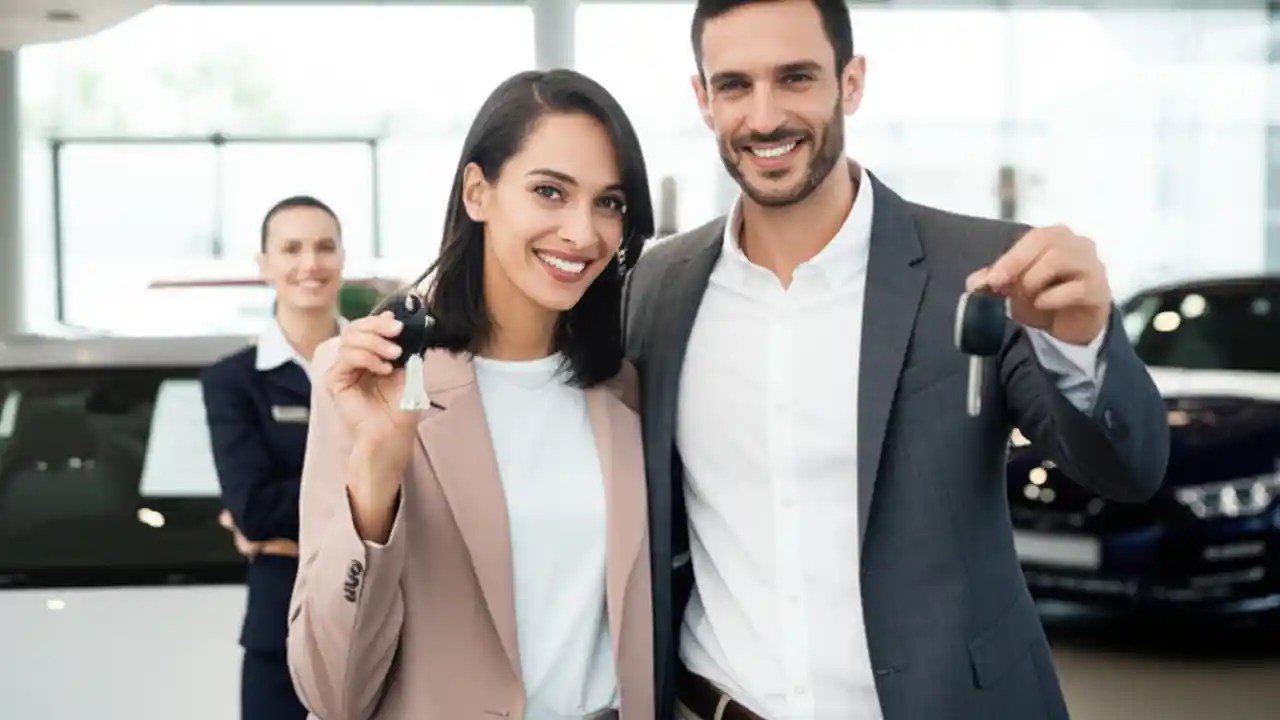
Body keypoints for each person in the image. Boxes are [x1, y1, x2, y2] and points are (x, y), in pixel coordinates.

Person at [621, 1, 1172, 719]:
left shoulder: (985, 273)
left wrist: (1083, 341)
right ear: (702, 99)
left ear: (850, 83)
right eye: (734, 85)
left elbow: (1127, 471)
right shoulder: (655, 289)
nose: (763, 117)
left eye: (795, 78)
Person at [286, 68, 657, 720]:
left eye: (610, 203)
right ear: (477, 191)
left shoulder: (623, 390)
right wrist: (376, 475)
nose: (583, 231)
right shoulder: (374, 381)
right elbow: (329, 691)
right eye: (550, 191)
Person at [203, 194, 349, 720]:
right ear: (264, 266)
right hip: (278, 623)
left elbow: (422, 489)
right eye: (291, 249)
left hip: (385, 613)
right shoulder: (232, 380)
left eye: (324, 247)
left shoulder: (387, 363)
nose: (310, 263)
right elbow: (255, 509)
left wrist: (290, 532)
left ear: (342, 259)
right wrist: (368, 493)